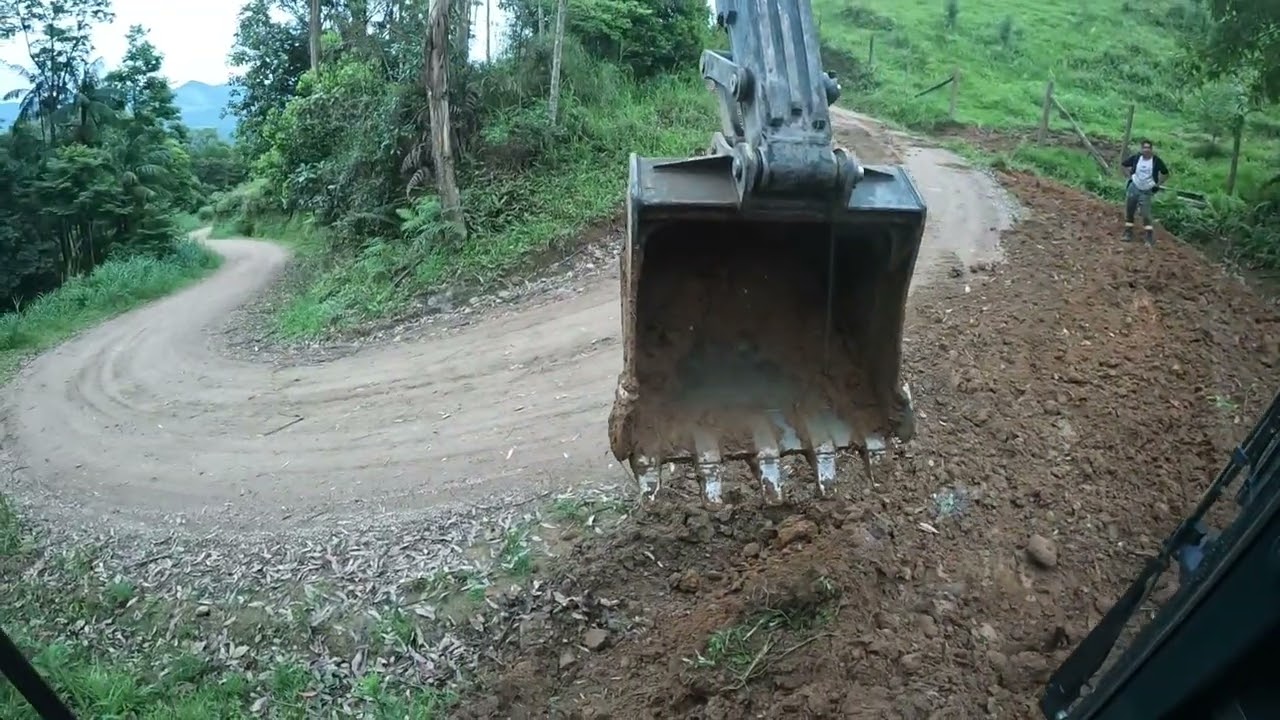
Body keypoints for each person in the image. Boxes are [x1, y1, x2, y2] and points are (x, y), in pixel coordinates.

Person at [1120, 139, 1170, 244]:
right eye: (1144, 148)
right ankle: (1128, 232)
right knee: (1130, 209)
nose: (1146, 150)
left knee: (1145, 213)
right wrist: (1130, 177)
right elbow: (1123, 165)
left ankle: (1149, 236)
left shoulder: (1156, 161)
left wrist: (1158, 184)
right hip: (1134, 187)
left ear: (1151, 149)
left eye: (1148, 148)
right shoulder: (1137, 158)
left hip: (1147, 190)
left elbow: (1165, 173)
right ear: (1141, 149)